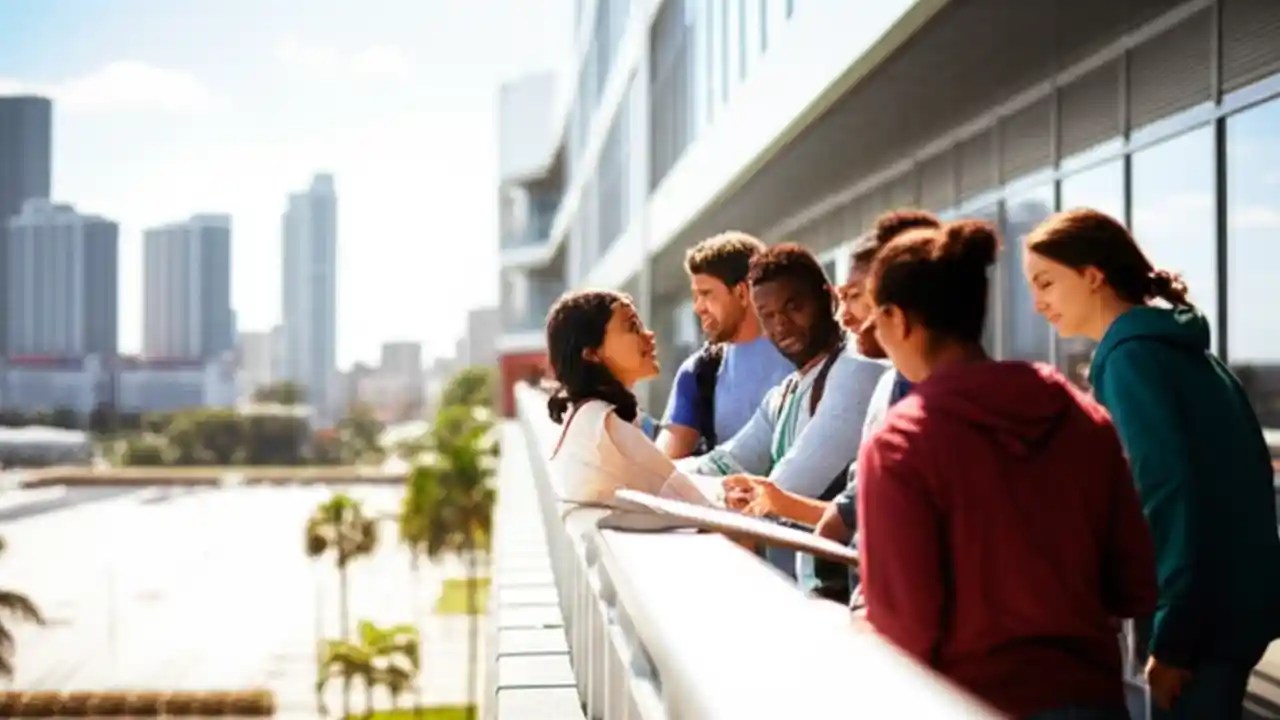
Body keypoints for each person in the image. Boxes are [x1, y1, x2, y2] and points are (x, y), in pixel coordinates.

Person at [857, 219, 1158, 719]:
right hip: (1095, 698)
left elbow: (904, 633)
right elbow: (1134, 585)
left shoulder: (901, 444)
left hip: (974, 704)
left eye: (876, 319)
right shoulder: (1082, 417)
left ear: (898, 319)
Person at [1024, 208, 1280, 719]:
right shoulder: (1180, 349)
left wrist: (1173, 640)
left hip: (1194, 628)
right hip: (1233, 611)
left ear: (1093, 275)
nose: (1038, 304)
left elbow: (1165, 494)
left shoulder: (1130, 358)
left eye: (1047, 282)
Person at [681, 243, 887, 580]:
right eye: (768, 315)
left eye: (794, 307)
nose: (782, 325)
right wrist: (643, 474)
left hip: (840, 595)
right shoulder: (788, 389)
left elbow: (783, 491)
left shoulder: (856, 372)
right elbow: (723, 463)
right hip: (804, 589)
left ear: (828, 297)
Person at [544, 289, 714, 509]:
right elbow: (692, 499)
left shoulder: (590, 417)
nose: (649, 335)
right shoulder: (602, 424)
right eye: (633, 327)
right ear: (592, 354)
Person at [657, 232, 793, 459]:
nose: (698, 308)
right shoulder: (699, 372)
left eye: (706, 294)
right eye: (695, 296)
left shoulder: (803, 355)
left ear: (741, 293)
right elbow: (664, 462)